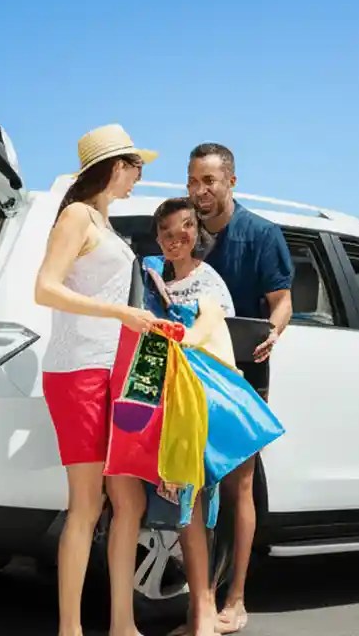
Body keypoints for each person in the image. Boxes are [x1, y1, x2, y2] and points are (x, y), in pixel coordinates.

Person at [34, 124, 169, 636]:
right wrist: (119, 312)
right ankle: (70, 629)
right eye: (137, 167)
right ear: (116, 166)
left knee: (130, 500)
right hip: (78, 371)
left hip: (113, 371)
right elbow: (45, 288)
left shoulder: (103, 222)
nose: (139, 177)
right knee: (87, 504)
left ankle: (122, 625)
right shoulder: (75, 215)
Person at [186, 143, 294, 633]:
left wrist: (274, 331)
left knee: (238, 486)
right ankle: (201, 604)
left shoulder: (261, 234)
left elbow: (282, 300)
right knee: (192, 487)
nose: (200, 190)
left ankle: (236, 598)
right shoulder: (183, 231)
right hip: (190, 373)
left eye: (209, 180)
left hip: (244, 373)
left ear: (231, 181)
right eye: (193, 181)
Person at [149, 197, 234, 636]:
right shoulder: (158, 281)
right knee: (188, 507)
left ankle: (204, 612)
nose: (175, 237)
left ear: (197, 231)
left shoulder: (207, 279)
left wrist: (177, 337)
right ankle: (200, 612)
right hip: (172, 401)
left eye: (184, 227)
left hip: (200, 401)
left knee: (199, 503)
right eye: (166, 232)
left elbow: (207, 327)